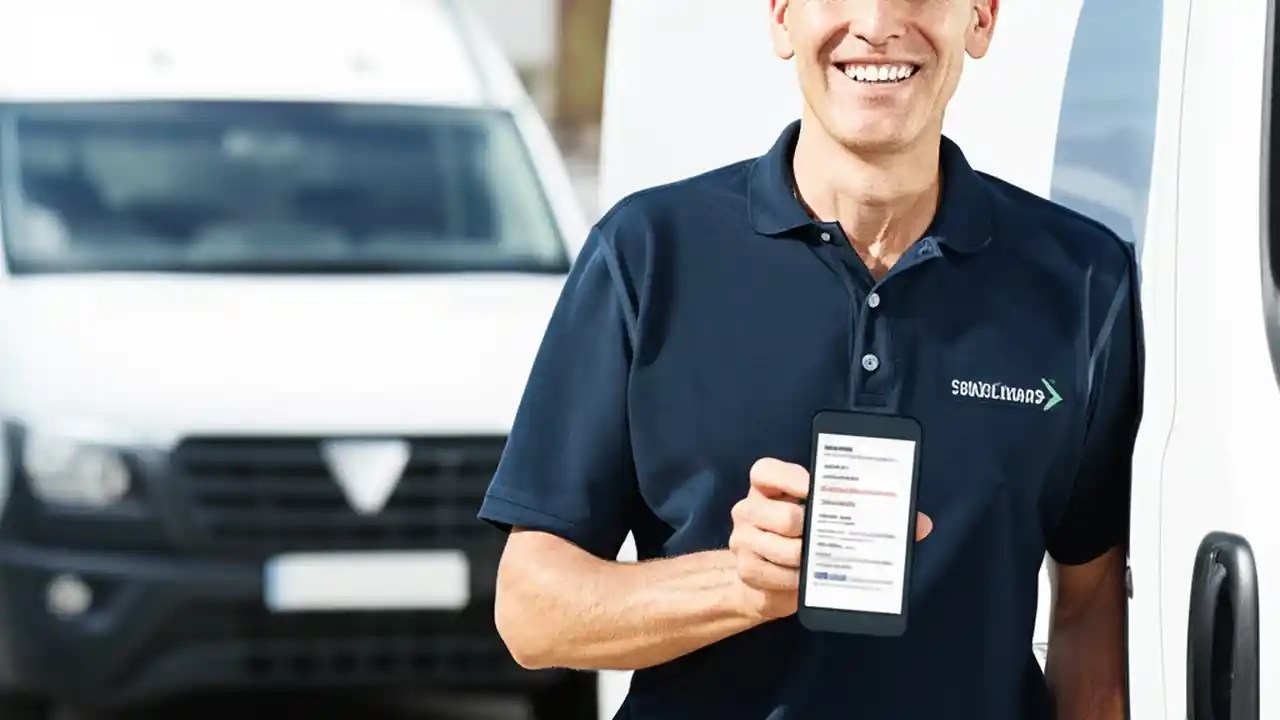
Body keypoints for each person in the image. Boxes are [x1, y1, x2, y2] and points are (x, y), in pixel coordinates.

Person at [478, 0, 1143, 717]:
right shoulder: (648, 254)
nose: (878, 22)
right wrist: (739, 582)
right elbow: (530, 610)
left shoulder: (1080, 281)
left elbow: (1088, 603)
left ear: (980, 18)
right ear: (781, 17)